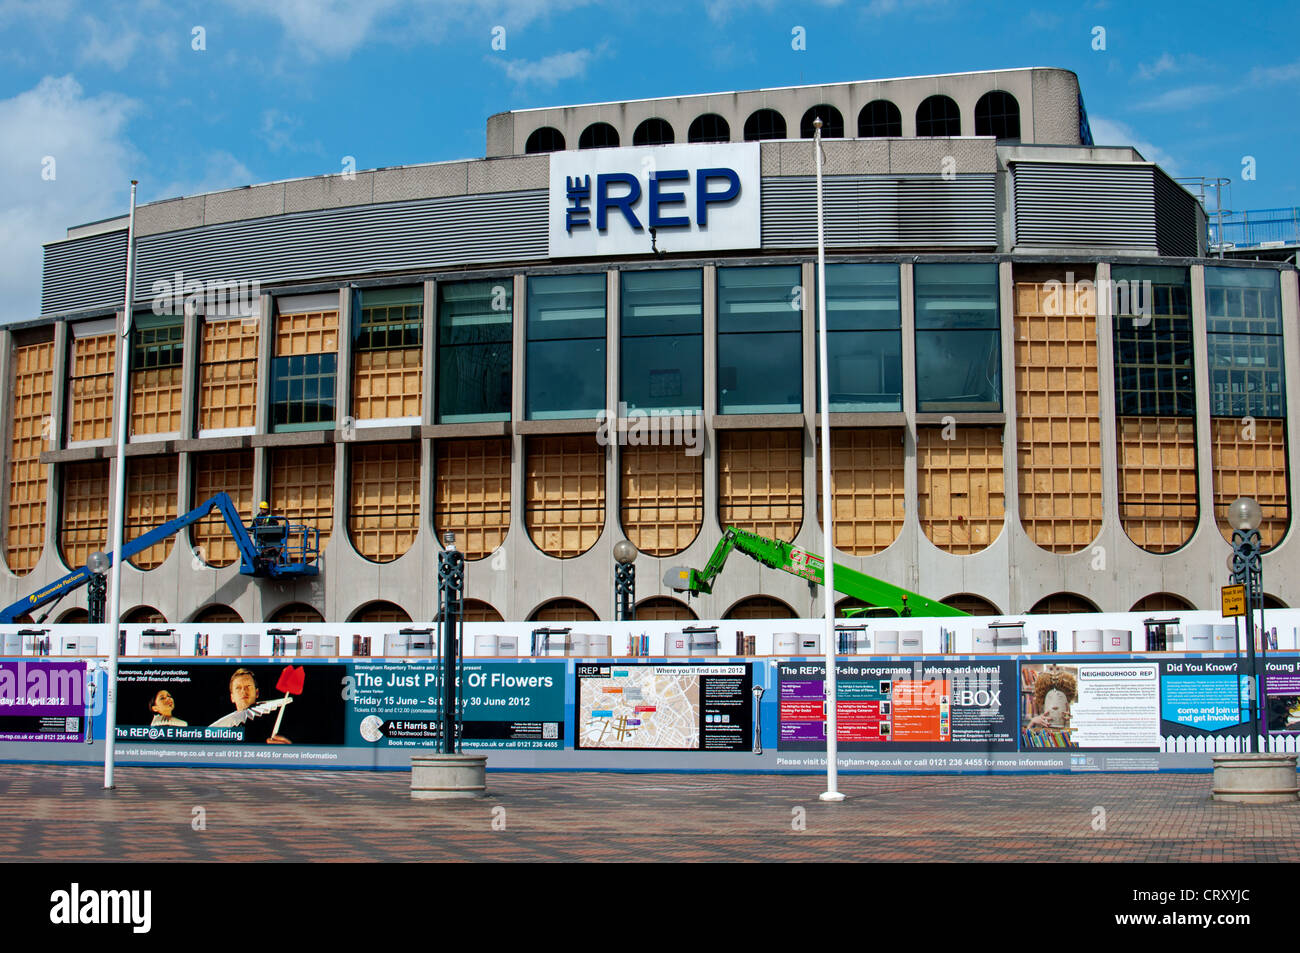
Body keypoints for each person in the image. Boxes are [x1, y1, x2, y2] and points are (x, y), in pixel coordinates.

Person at [223, 668, 290, 744]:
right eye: (238, 688)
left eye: (248, 686)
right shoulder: (224, 731)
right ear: (232, 697)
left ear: (257, 693)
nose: (243, 691)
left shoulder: (274, 723)